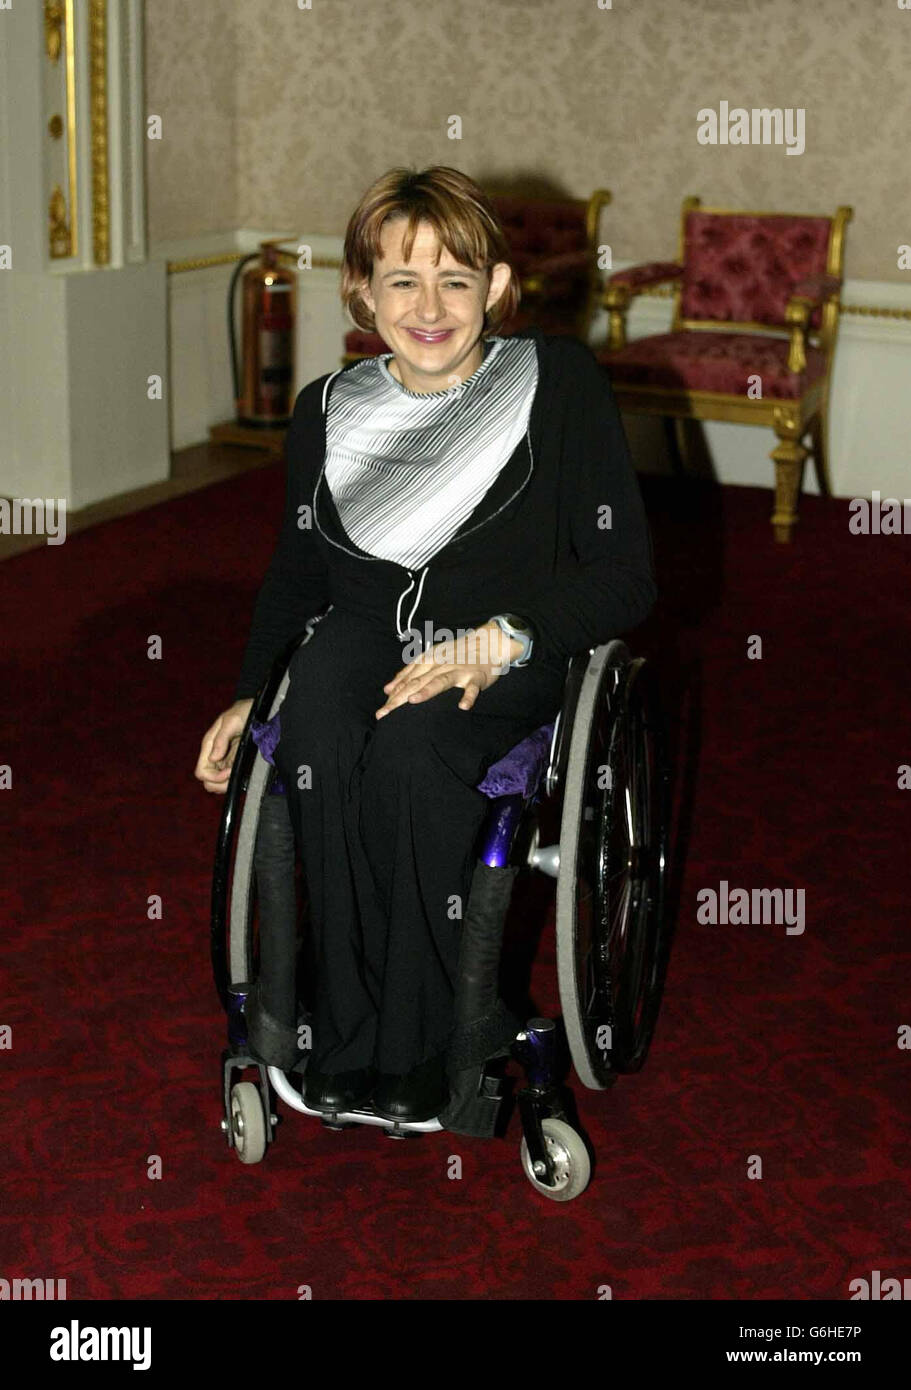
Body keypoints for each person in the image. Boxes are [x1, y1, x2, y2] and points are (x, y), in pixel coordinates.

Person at [195, 165, 656, 1123]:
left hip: (507, 648)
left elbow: (625, 577)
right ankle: (339, 1032)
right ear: (362, 292)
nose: (431, 306)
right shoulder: (326, 409)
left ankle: (424, 1050)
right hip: (364, 634)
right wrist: (250, 694)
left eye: (457, 278)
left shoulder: (555, 385)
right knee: (315, 726)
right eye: (402, 280)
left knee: (412, 756)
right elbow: (295, 575)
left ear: (495, 286)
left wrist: (507, 639)